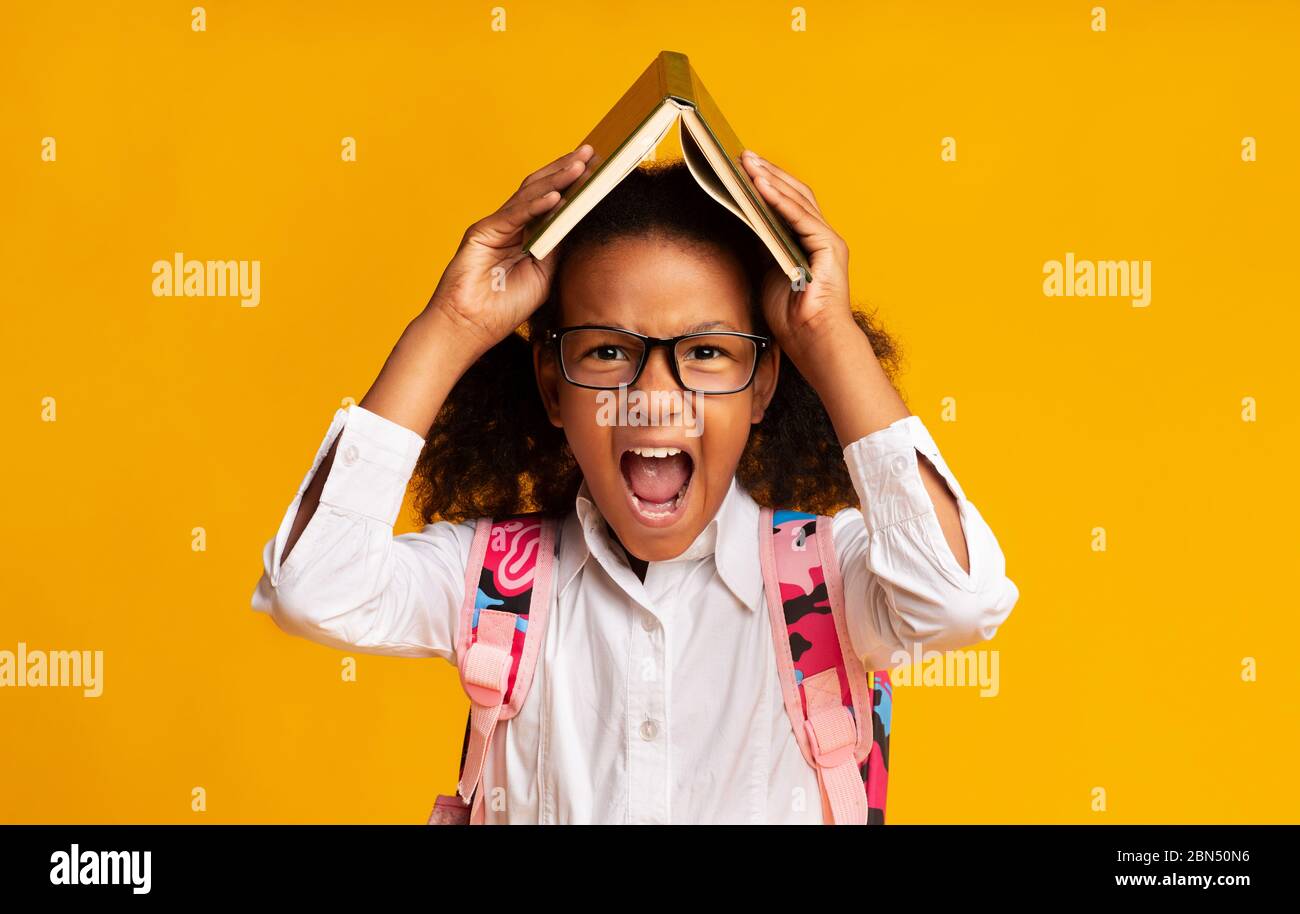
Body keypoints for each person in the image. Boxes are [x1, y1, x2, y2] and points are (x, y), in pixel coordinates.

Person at [250, 143, 1020, 824]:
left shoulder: (830, 580)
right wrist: (451, 323)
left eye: (708, 353)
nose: (655, 394)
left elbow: (956, 598)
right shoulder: (492, 585)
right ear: (552, 389)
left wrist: (829, 335)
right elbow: (313, 588)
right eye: (609, 352)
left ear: (762, 386)